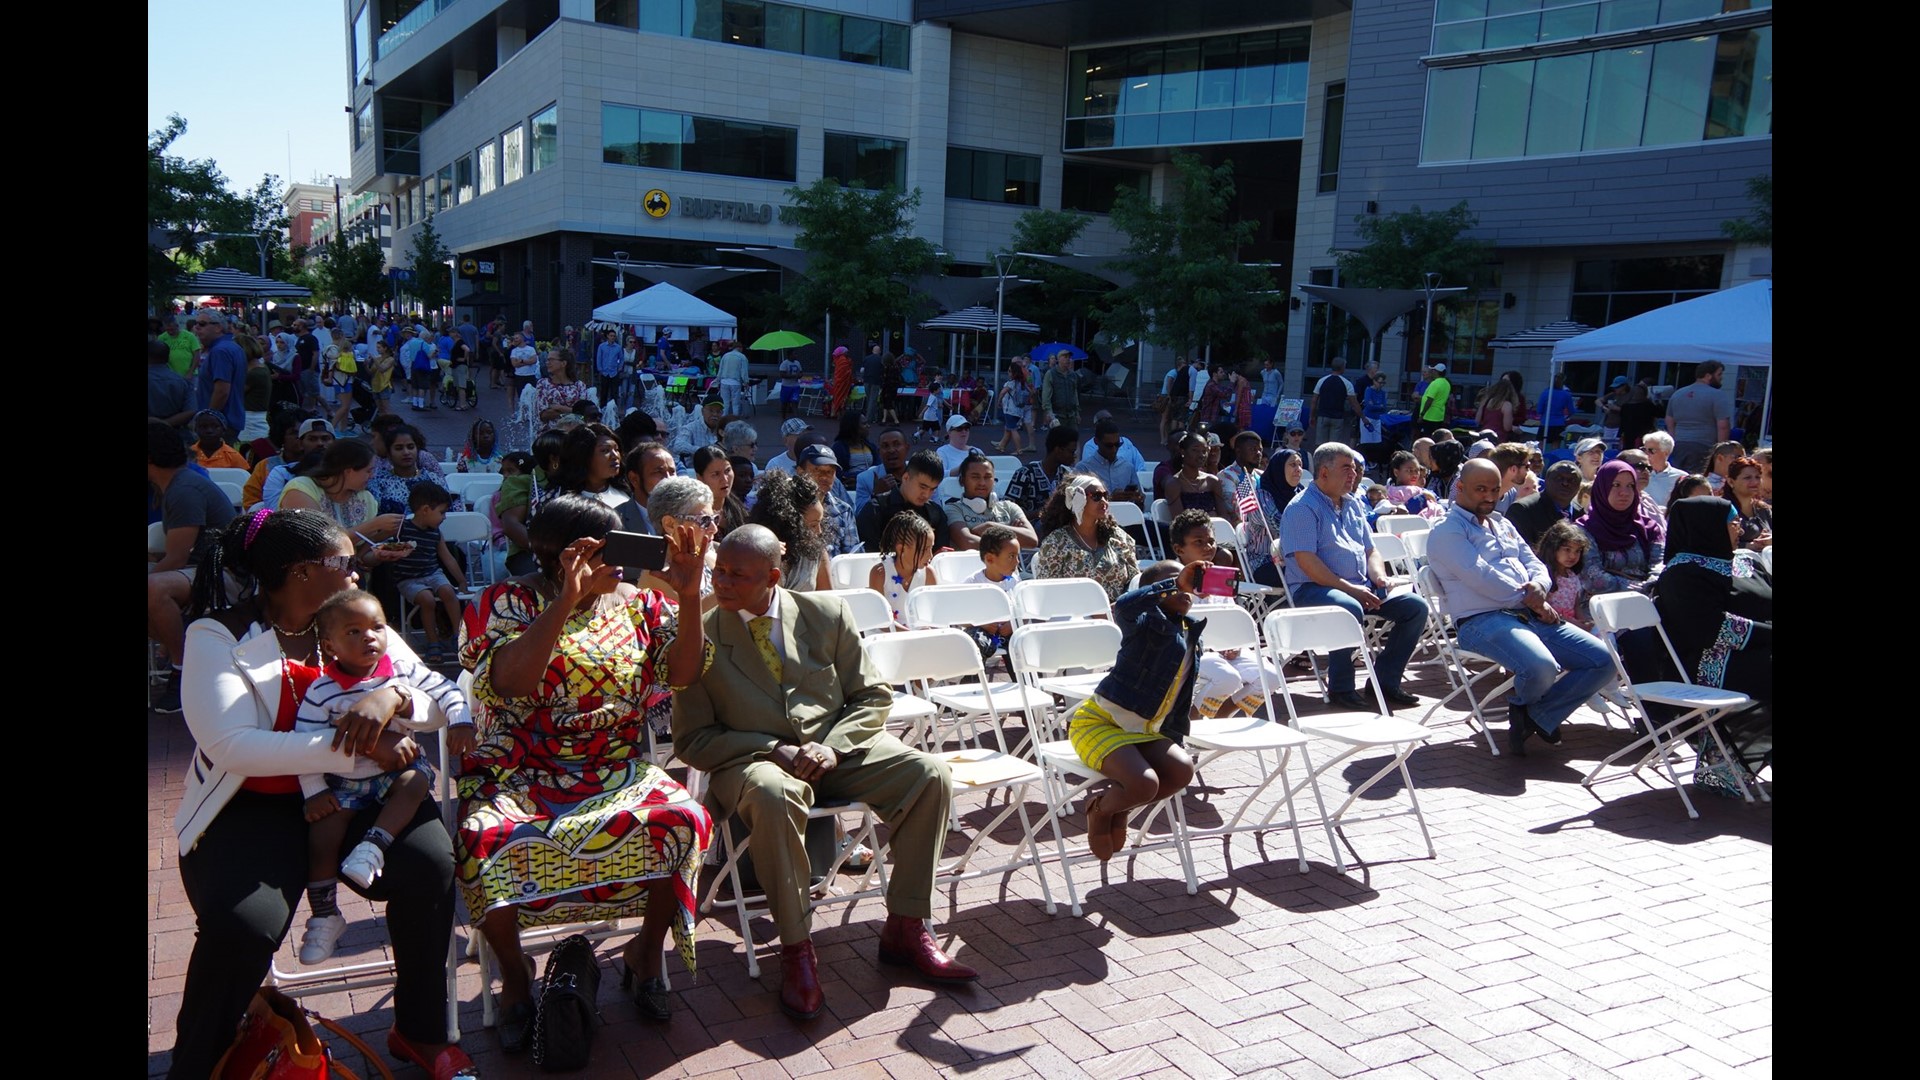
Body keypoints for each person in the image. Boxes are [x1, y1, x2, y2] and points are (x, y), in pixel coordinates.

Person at [167, 509, 469, 1080]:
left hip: (361, 794)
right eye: (345, 563)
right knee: (245, 925)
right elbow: (233, 745)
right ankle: (197, 1063)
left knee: (430, 866)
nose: (357, 573)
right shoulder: (218, 636)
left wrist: (394, 700)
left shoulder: (358, 620)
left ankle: (421, 1030)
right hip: (251, 802)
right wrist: (361, 749)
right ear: (302, 572)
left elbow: (432, 703)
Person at [666, 524, 977, 1020]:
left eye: (736, 576)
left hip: (838, 753)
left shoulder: (825, 613)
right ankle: (796, 949)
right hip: (751, 763)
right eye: (718, 571)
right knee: (772, 795)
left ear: (773, 576)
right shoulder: (697, 634)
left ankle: (906, 926)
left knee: (929, 773)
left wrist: (831, 749)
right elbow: (692, 741)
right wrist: (773, 749)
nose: (721, 583)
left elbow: (872, 697)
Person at [458, 495, 714, 1038]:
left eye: (623, 543)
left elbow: (685, 673)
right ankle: (515, 977)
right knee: (481, 839)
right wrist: (565, 600)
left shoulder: (639, 603)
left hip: (613, 764)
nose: (620, 560)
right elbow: (510, 683)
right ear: (559, 553)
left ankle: (645, 955)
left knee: (682, 820)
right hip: (520, 770)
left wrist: (688, 596)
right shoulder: (505, 602)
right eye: (607, 547)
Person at [294, 588, 471, 963]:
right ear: (329, 644)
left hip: (396, 772)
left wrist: (461, 722)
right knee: (322, 836)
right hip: (346, 781)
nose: (369, 637)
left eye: (376, 626)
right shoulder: (321, 691)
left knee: (416, 782)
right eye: (353, 632)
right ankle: (325, 915)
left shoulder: (401, 670)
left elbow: (447, 691)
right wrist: (313, 790)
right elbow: (303, 743)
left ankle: (373, 846)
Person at [1425, 460, 1619, 754]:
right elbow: (1481, 577)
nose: (1489, 496)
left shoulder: (1501, 523)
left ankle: (1535, 714)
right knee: (1541, 666)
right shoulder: (1447, 531)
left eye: (1494, 489)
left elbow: (1535, 562)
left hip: (1529, 612)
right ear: (1460, 488)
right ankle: (1535, 714)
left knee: (1603, 661)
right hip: (1482, 620)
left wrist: (1540, 588)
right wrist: (1534, 600)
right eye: (1480, 489)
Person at [1067, 559, 1202, 861]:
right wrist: (1174, 584)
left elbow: (1178, 699)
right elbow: (1124, 606)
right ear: (1155, 590)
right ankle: (1099, 810)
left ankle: (1121, 804)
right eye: (1172, 582)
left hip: (1145, 732)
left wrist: (1174, 738)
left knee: (1181, 771)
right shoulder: (1140, 624)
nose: (1184, 588)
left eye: (1187, 583)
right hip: (1099, 724)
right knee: (1144, 784)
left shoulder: (1192, 632)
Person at [1279, 443, 1429, 709]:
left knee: (1415, 607)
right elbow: (1307, 562)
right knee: (1347, 606)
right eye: (1346, 468)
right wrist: (1350, 589)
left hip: (1360, 586)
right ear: (1324, 472)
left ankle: (1385, 681)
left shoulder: (1352, 504)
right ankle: (1341, 687)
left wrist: (1380, 577)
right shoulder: (1301, 507)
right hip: (1312, 588)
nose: (1354, 474)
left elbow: (1370, 550)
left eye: (1355, 468)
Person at [1649, 497, 1772, 792]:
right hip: (1710, 662)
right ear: (1708, 527)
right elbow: (1713, 630)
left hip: (1754, 650)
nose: (1739, 529)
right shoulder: (1682, 573)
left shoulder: (1743, 560)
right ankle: (1724, 764)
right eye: (1732, 523)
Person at [148, 419, 241, 711]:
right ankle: (181, 650)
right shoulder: (174, 485)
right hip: (202, 572)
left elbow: (176, 557)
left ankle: (182, 669)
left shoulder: (183, 489)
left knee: (153, 588)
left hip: (227, 574)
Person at [1169, 510, 1281, 717]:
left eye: (1211, 541)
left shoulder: (1220, 578)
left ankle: (1218, 718)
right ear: (1179, 549)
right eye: (1198, 542)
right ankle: (1189, 723)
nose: (1207, 547)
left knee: (1271, 677)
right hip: (1190, 651)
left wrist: (1234, 644)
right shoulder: (1172, 580)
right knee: (1228, 678)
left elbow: (1230, 618)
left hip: (1224, 650)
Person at [387, 483, 469, 661]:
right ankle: (433, 642)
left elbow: (448, 558)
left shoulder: (435, 533)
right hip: (408, 578)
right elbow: (383, 543)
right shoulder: (402, 529)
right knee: (427, 600)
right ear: (425, 510)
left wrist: (461, 581)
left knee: (449, 592)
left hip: (432, 573)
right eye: (441, 512)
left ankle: (458, 635)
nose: (444, 517)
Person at [276, 439, 404, 551]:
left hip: (348, 573)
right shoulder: (302, 489)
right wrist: (374, 524)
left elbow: (362, 555)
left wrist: (384, 541)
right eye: (368, 471)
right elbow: (319, 544)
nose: (372, 476)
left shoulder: (365, 499)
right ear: (348, 471)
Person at [1033, 473, 1139, 602]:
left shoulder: (1117, 536)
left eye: (1105, 496)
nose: (1104, 501)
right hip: (1075, 616)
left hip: (1118, 612)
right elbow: (1047, 592)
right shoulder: (1056, 542)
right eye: (1096, 496)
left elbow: (1134, 580)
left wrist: (1120, 605)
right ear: (1077, 499)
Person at [1576, 459, 1666, 597]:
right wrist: (1642, 589)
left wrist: (1653, 584)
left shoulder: (1649, 527)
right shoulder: (1583, 530)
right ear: (1602, 488)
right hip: (1599, 607)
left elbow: (1660, 564)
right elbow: (1593, 579)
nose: (1624, 492)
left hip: (1647, 604)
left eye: (1630, 486)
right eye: (1616, 485)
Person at [747, 468, 833, 592]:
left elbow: (828, 600)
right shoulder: (753, 553)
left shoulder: (817, 552)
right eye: (813, 525)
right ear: (789, 524)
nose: (819, 532)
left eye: (820, 523)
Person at [855, 448, 950, 552]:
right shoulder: (875, 510)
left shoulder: (936, 513)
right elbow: (868, 556)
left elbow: (940, 555)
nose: (926, 494)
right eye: (923, 487)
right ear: (905, 477)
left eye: (932, 489)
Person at [943, 453, 1038, 550]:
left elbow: (1032, 540)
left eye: (987, 477)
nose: (982, 483)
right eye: (975, 477)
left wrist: (990, 527)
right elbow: (968, 542)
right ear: (962, 480)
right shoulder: (953, 509)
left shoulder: (1009, 507)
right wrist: (1011, 535)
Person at [1242, 448, 1305, 587]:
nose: (1299, 469)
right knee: (1312, 572)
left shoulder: (1301, 492)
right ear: (1279, 468)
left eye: (1300, 465)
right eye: (1293, 465)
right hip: (1265, 563)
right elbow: (1280, 524)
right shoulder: (1262, 495)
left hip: (1296, 559)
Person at [868, 510, 939, 626]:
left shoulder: (929, 574)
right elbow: (880, 620)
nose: (930, 555)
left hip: (919, 636)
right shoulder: (880, 574)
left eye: (931, 548)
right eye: (923, 550)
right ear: (901, 549)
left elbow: (933, 615)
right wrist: (912, 635)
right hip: (887, 638)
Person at [1663, 360, 1732, 472]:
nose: (1721, 378)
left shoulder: (1678, 393)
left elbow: (1669, 420)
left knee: (1678, 478)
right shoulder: (1718, 395)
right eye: (1719, 374)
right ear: (1708, 376)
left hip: (1679, 445)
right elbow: (1723, 425)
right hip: (1704, 446)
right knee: (1696, 483)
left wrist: (1673, 440)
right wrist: (1721, 450)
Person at [1161, 431, 1241, 526]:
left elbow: (1223, 515)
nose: (1201, 455)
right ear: (1183, 451)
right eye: (1195, 450)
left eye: (1205, 451)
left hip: (1216, 532)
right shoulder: (1174, 484)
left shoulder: (1212, 481)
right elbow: (1180, 523)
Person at [794, 443, 860, 556]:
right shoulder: (786, 507)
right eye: (817, 470)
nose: (824, 477)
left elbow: (853, 554)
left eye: (830, 472)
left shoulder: (843, 510)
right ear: (800, 471)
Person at [1008, 425, 1079, 527]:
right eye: (1071, 452)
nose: (1074, 456)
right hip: (1028, 531)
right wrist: (1042, 513)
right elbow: (1007, 511)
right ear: (1058, 450)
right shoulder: (1025, 474)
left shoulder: (1066, 475)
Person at [193, 310, 249, 438]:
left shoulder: (221, 351)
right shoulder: (232, 347)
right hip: (226, 421)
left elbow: (222, 391)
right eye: (196, 324)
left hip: (219, 425)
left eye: (202, 324)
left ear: (218, 327)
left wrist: (208, 419)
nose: (196, 328)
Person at [1506, 460, 1583, 548]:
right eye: (1559, 478)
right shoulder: (1522, 510)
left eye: (1572, 480)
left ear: (1579, 486)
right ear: (1546, 481)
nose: (1565, 483)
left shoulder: (1581, 514)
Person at [1075, 418, 1150, 507]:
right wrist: (1110, 499)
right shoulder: (1083, 469)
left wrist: (1138, 499)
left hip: (1126, 517)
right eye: (1109, 445)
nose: (1114, 449)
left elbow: (1139, 504)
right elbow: (1076, 503)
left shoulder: (1128, 467)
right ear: (1096, 442)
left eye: (1117, 445)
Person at [1534, 520, 1594, 629]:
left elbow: (1576, 606)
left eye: (1577, 551)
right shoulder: (1544, 576)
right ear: (1553, 548)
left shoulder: (1572, 576)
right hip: (1553, 624)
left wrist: (1583, 621)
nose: (1572, 556)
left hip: (1573, 624)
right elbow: (1544, 608)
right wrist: (1577, 625)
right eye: (1567, 550)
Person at [694, 444, 750, 537]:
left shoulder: (737, 508)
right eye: (715, 474)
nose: (724, 479)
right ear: (700, 478)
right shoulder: (694, 514)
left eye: (727, 471)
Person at [854, 426, 912, 514]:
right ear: (879, 452)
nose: (891, 450)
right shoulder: (865, 479)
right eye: (885, 446)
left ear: (907, 448)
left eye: (896, 444)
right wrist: (876, 495)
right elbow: (859, 515)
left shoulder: (921, 474)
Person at [1723, 456, 1772, 551]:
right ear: (1731, 481)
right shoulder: (1722, 509)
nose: (1755, 482)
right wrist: (1747, 546)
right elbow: (1716, 541)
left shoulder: (1763, 508)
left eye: (1758, 477)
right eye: (1747, 478)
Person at [535, 347, 590, 431]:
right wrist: (572, 411)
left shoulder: (579, 386)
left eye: (551, 360)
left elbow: (583, 414)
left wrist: (558, 407)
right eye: (547, 360)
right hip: (551, 436)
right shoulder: (543, 384)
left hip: (574, 435)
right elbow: (543, 415)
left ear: (563, 363)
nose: (547, 363)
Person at [1311, 358, 1360, 449]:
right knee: (1334, 447)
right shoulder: (1347, 383)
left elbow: (1314, 401)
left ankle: (1319, 462)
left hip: (1323, 416)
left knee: (1320, 446)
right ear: (1342, 368)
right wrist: (1363, 417)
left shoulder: (1321, 381)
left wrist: (1312, 416)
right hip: (1338, 418)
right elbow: (1354, 403)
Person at [149, 339, 194, 431]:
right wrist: (166, 423)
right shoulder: (182, 382)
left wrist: (156, 423)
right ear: (168, 358)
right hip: (175, 434)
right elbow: (190, 411)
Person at [1641, 430, 1691, 506]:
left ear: (1666, 452)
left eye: (1651, 450)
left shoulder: (1681, 477)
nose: (1646, 454)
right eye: (1644, 450)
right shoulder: (1638, 474)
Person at [993, 366, 1033, 455]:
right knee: (1008, 428)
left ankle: (1019, 449)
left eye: (1010, 371)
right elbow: (1031, 392)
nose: (1008, 372)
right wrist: (1027, 400)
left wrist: (999, 402)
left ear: (1013, 373)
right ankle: (1002, 446)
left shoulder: (1011, 383)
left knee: (1013, 429)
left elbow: (1002, 392)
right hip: (1019, 410)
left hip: (1010, 410)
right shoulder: (1022, 383)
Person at [831, 410, 879, 479]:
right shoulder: (839, 448)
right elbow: (836, 472)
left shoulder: (871, 446)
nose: (868, 426)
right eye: (864, 424)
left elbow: (878, 466)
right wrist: (861, 476)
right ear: (853, 426)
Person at [1040, 350, 1081, 431]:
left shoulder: (1073, 375)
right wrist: (1050, 413)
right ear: (1058, 359)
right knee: (1057, 441)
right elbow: (1046, 396)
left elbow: (1074, 394)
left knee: (1073, 440)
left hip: (1071, 415)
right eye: (1065, 357)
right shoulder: (1051, 374)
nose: (1068, 359)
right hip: (1057, 415)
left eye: (1069, 357)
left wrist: (1077, 412)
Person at [1475, 376, 1522, 440]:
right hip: (1498, 438)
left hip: (1483, 436)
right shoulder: (1507, 405)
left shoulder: (1485, 401)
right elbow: (1507, 427)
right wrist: (1515, 428)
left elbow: (1477, 420)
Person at [1415, 363, 1452, 438]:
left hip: (1430, 416)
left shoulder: (1435, 383)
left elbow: (1429, 400)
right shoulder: (1447, 383)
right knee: (1436, 437)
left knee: (1428, 437)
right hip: (1439, 416)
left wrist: (1422, 415)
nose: (1431, 372)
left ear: (1436, 372)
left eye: (1433, 370)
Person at [597, 328, 629, 410]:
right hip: (604, 372)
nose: (612, 337)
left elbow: (621, 359)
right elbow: (599, 358)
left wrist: (619, 368)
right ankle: (602, 409)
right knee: (603, 392)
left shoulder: (618, 347)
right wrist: (600, 369)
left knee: (614, 393)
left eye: (614, 336)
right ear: (607, 336)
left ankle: (614, 410)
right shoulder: (602, 346)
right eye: (611, 336)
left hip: (614, 372)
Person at [861, 344, 889, 422]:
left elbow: (862, 370)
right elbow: (884, 371)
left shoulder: (866, 358)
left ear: (873, 351)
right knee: (873, 400)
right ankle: (869, 418)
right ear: (879, 351)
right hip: (876, 381)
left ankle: (871, 416)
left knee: (869, 398)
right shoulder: (881, 359)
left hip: (866, 380)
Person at [828, 344, 855, 419]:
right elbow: (846, 371)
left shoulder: (837, 360)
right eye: (846, 352)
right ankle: (840, 414)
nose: (848, 353)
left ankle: (835, 413)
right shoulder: (843, 360)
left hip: (838, 382)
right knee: (842, 398)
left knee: (837, 397)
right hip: (843, 382)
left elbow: (838, 371)